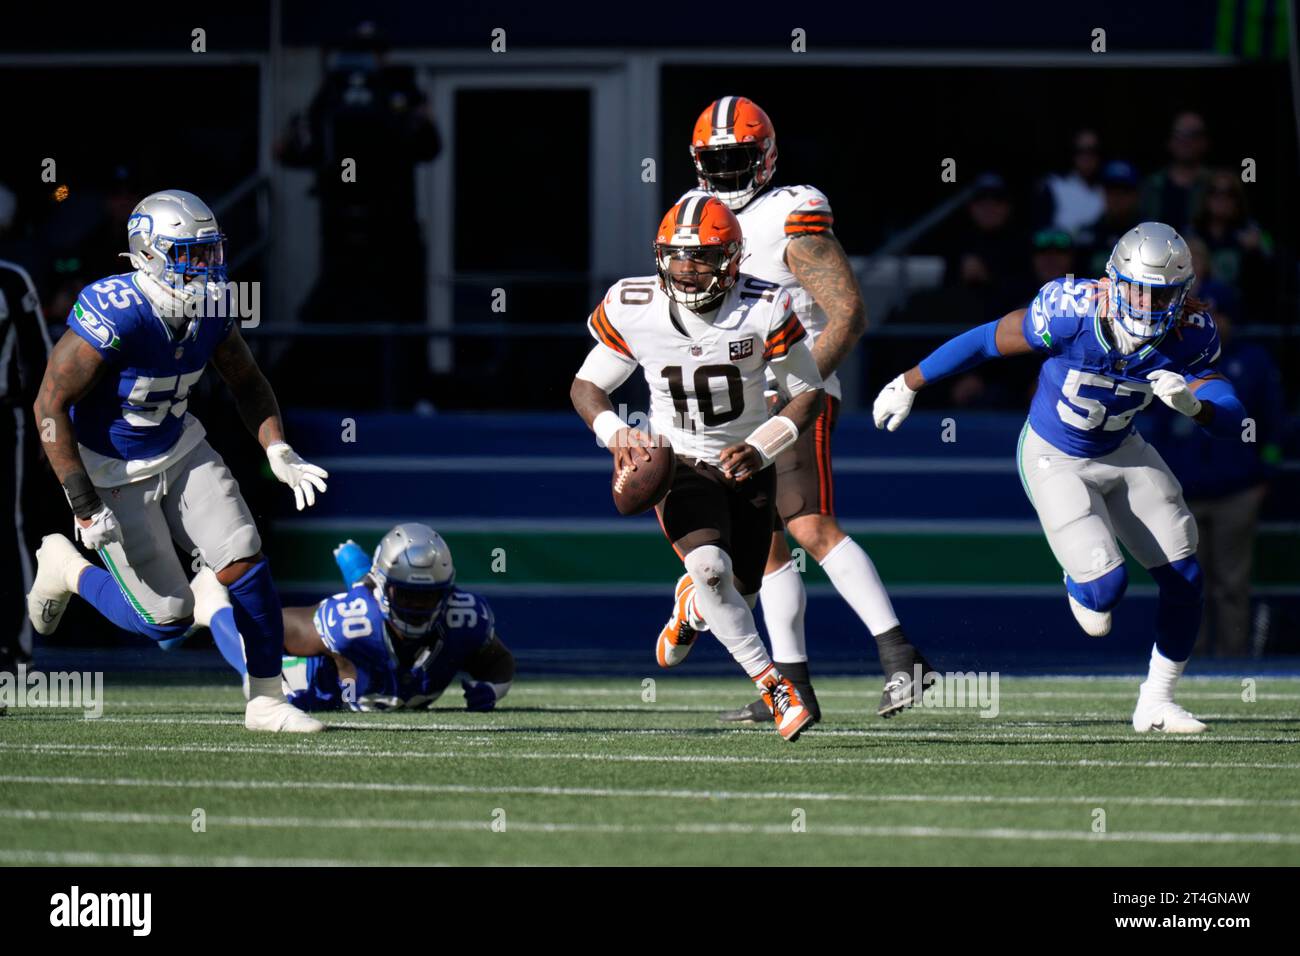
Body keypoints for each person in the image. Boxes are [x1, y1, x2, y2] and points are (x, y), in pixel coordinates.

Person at [872, 222, 1247, 733]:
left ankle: (1156, 700)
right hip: (1054, 453)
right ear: (1112, 281)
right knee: (1104, 593)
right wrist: (911, 381)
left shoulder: (1190, 334)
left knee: (1185, 572)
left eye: (1159, 295)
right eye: (1135, 289)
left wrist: (1195, 404)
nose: (1145, 304)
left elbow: (1231, 414)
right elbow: (990, 338)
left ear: (1181, 296)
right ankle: (1082, 576)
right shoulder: (1070, 310)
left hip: (1122, 448)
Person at [25, 189, 328, 732]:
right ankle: (66, 569)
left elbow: (247, 381)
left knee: (243, 554)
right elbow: (49, 404)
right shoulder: (116, 313)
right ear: (147, 254)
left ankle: (265, 700)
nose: (206, 268)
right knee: (167, 622)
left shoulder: (211, 306)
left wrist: (276, 447)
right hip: (112, 468)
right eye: (190, 255)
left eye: (210, 252)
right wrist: (84, 504)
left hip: (181, 446)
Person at [671, 96, 933, 724]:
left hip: (793, 394)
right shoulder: (697, 215)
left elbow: (848, 313)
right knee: (765, 548)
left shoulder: (791, 211)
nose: (728, 173)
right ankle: (791, 689)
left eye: (738, 159)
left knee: (810, 524)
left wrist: (798, 389)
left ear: (765, 158)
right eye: (717, 160)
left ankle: (903, 657)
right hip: (740, 406)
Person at [570, 195, 824, 741]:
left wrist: (763, 446)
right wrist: (617, 435)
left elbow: (808, 394)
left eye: (702, 258)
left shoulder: (764, 306)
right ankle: (775, 688)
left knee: (737, 592)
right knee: (709, 569)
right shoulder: (633, 303)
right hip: (679, 461)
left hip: (749, 462)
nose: (687, 270)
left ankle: (690, 610)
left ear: (732, 259)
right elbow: (588, 386)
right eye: (677, 257)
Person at [197, 525, 516, 711]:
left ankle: (358, 570)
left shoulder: (465, 618)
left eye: (429, 595)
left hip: (376, 630)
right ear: (385, 588)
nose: (417, 606)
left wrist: (492, 688)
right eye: (406, 594)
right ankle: (210, 604)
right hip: (325, 687)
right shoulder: (351, 621)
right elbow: (264, 631)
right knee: (256, 676)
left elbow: (499, 663)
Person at [1143, 309, 1283, 656]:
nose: (1214, 322)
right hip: (1183, 489)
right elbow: (1154, 427)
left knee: (1231, 583)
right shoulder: (1168, 356)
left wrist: (1264, 472)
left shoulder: (1251, 360)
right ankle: (1189, 660)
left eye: (1220, 313)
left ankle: (1232, 662)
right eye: (1205, 315)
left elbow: (1273, 421)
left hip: (1238, 489)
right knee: (1187, 581)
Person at [0, 257, 52, 673]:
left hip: (3, 418)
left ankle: (14, 648)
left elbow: (40, 355)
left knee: (6, 528)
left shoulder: (12, 279)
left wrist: (46, 421)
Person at [1139, 112, 1210, 232]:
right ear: (1169, 140)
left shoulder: (1217, 184)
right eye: (1180, 134)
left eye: (1193, 135)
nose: (1186, 141)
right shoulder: (1151, 185)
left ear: (1205, 141)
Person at [1035, 128, 1104, 237]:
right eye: (1081, 151)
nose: (1086, 157)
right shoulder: (1055, 185)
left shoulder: (1109, 190)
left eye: (1092, 151)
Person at [1077, 160, 1143, 276]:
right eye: (1112, 191)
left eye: (1124, 191)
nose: (1117, 198)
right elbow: (1072, 278)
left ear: (1136, 195)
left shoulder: (1148, 235)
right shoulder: (1087, 235)